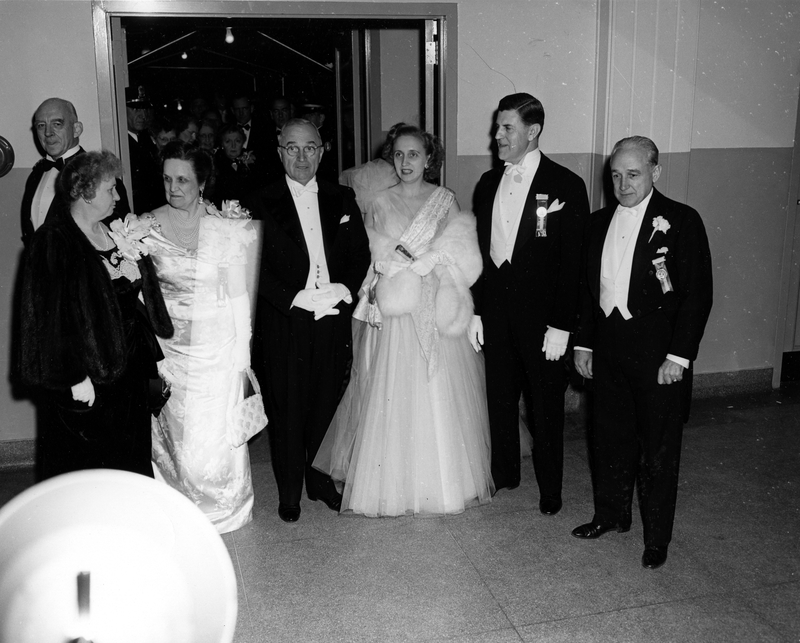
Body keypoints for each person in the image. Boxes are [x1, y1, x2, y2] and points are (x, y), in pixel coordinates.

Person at [314, 123, 494, 516]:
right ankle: (392, 486)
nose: (405, 161)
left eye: (414, 154)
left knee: (436, 391)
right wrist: (384, 266)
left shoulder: (445, 199)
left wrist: (437, 259)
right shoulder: (378, 201)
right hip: (396, 312)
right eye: (398, 154)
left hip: (435, 307)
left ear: (429, 159)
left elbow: (464, 254)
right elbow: (365, 257)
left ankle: (443, 485)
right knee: (394, 392)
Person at [572, 136, 713, 569]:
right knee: (608, 438)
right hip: (608, 347)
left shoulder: (682, 221)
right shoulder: (597, 223)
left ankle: (657, 538)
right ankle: (611, 514)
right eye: (616, 175)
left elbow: (697, 295)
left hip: (657, 355)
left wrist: (679, 356)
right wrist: (584, 343)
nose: (623, 184)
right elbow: (586, 291)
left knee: (658, 449)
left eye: (633, 174)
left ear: (655, 172)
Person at [241, 118, 370, 523]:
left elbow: (360, 253)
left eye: (310, 147)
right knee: (287, 408)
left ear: (322, 151)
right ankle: (289, 491)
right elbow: (251, 265)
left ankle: (319, 481)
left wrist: (343, 289)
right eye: (292, 148)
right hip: (285, 320)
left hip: (331, 317)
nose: (301, 157)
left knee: (326, 402)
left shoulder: (341, 196)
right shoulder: (258, 200)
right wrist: (293, 297)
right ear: (280, 152)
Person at [19, 151, 173, 478]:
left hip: (128, 371)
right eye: (110, 189)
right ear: (86, 193)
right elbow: (48, 319)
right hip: (88, 373)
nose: (117, 196)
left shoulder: (112, 231)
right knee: (89, 470)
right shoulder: (54, 239)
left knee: (131, 460)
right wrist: (73, 377)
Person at [470, 93, 589, 515]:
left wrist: (563, 325)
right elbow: (480, 254)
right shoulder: (487, 183)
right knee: (499, 397)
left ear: (533, 130)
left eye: (507, 128)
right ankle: (504, 473)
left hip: (543, 322)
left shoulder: (565, 184)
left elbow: (574, 263)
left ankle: (551, 487)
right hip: (496, 314)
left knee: (545, 406)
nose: (497, 135)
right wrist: (477, 310)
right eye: (497, 127)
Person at [147, 141, 259, 534]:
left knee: (215, 432)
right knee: (178, 435)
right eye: (167, 179)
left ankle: (224, 507)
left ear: (202, 183)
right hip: (170, 347)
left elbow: (237, 293)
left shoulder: (223, 225)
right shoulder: (145, 227)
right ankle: (179, 506)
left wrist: (243, 350)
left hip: (217, 345)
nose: (173, 187)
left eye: (182, 180)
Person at [21, 97, 129, 247]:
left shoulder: (100, 174)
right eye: (41, 125)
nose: (48, 133)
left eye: (57, 124)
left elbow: (118, 233)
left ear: (76, 129)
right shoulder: (37, 173)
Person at [126, 86, 163, 213]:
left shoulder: (147, 137)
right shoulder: (120, 142)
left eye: (144, 109)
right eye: (136, 109)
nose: (143, 115)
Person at [211, 123, 259, 206]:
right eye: (228, 141)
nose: (233, 146)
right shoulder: (214, 164)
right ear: (222, 144)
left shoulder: (252, 162)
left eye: (237, 141)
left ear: (243, 143)